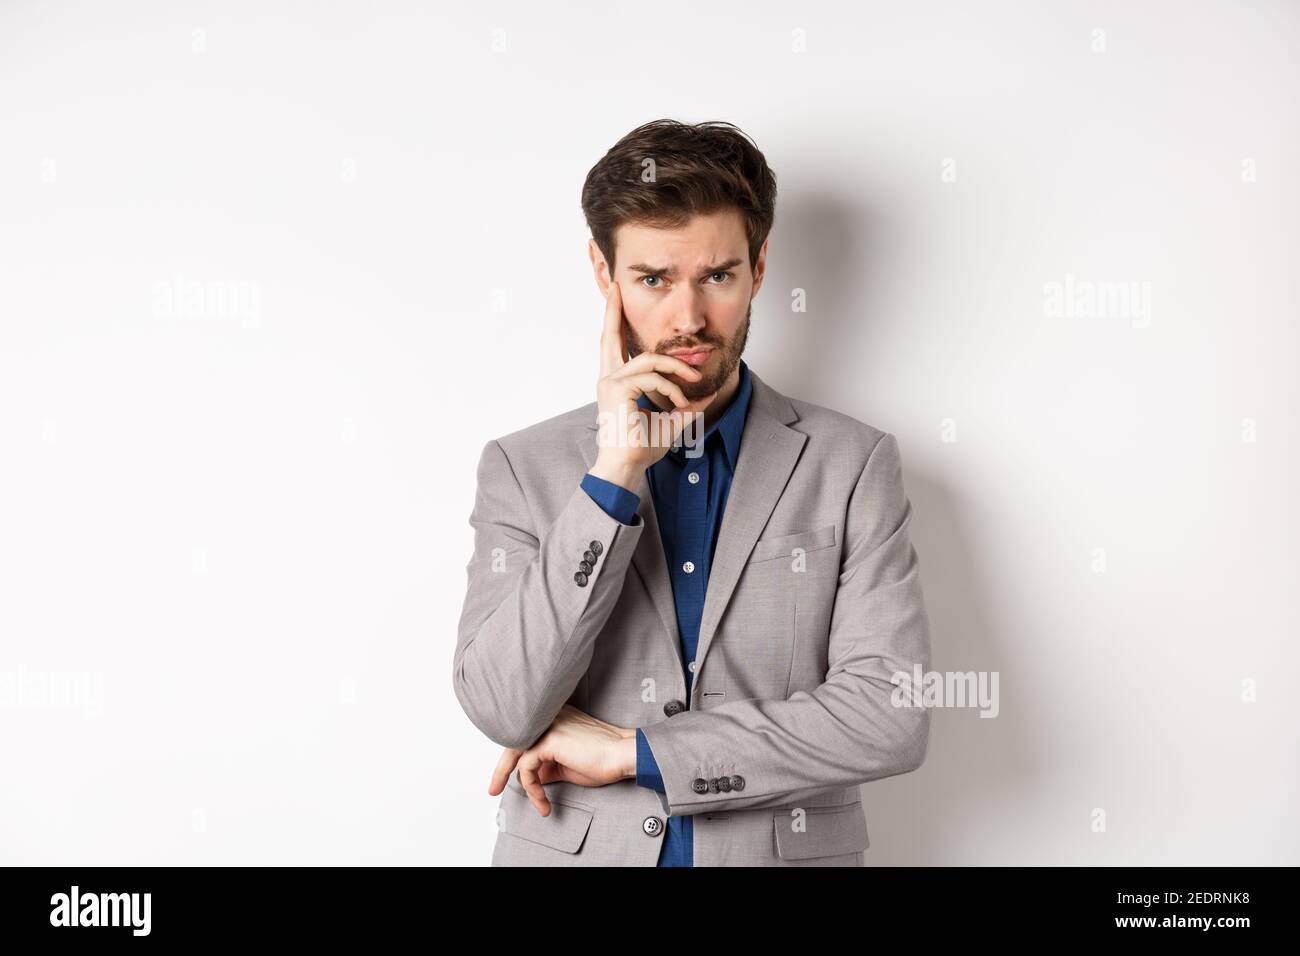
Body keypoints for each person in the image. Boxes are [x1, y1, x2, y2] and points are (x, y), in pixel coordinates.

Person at [453, 118, 932, 866]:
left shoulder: (853, 464)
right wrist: (611, 477)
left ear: (760, 267)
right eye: (653, 279)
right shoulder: (525, 467)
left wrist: (638, 752)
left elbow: (888, 717)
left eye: (717, 276)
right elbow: (502, 703)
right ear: (603, 274)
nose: (689, 320)